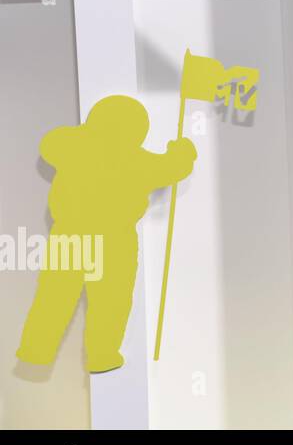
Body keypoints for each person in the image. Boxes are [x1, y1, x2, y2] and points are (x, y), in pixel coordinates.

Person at [17, 95, 197, 372]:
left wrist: (84, 133)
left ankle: (35, 351)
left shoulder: (73, 146)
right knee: (111, 303)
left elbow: (49, 144)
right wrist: (183, 150)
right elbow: (174, 168)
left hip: (71, 233)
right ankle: (102, 356)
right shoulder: (139, 159)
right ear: (138, 129)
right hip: (115, 239)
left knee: (55, 296)